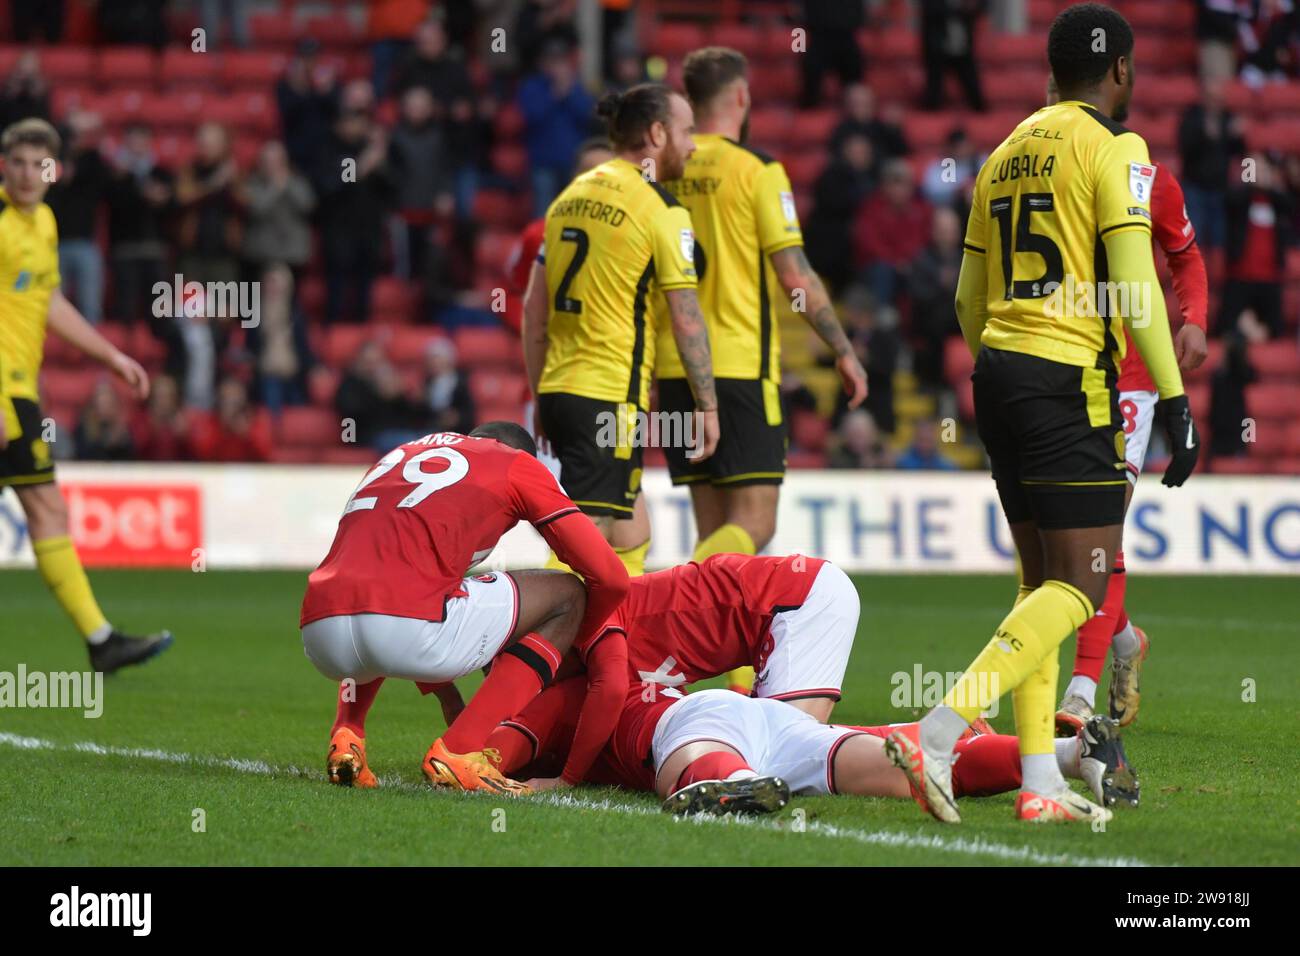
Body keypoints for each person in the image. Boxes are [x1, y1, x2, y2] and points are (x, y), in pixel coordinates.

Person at [899, 4, 1199, 825]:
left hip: (996, 370)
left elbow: (968, 295)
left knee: (1038, 583)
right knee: (1082, 583)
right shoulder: (1116, 147)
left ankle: (1040, 784)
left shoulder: (1004, 151)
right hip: (1069, 376)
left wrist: (999, 361)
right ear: (1123, 72)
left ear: (1050, 72)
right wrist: (1174, 399)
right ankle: (940, 726)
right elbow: (1138, 287)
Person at [658, 48, 867, 696]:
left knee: (716, 527)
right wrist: (840, 346)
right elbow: (793, 275)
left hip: (673, 366)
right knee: (755, 523)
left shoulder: (664, 172)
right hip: (739, 366)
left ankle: (740, 678)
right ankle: (661, 609)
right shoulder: (756, 170)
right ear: (742, 98)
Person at [300, 422, 630, 795]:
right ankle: (460, 749)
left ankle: (348, 735)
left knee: (383, 582)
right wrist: (579, 639)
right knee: (569, 595)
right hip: (404, 627)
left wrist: (446, 694)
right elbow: (611, 577)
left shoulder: (399, 454)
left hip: (321, 633)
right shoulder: (515, 463)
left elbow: (390, 576)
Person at [1044, 75, 1210, 735]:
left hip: (1131, 377)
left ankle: (1079, 694)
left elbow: (1184, 254)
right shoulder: (1042, 171)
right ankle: (1123, 641)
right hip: (1062, 363)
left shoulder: (1147, 177)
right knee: (1064, 542)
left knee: (1101, 526)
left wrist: (1193, 317)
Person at [521, 84, 720, 577]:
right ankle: (520, 647)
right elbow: (685, 313)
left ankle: (613, 649)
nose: (694, 144)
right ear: (657, 133)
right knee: (584, 541)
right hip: (608, 396)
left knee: (631, 533)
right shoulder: (663, 210)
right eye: (686, 130)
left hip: (563, 390)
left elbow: (532, 309)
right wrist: (708, 404)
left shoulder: (568, 197)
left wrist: (541, 394)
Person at [0, 118, 172, 672]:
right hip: (3, 388)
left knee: (47, 508)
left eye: (39, 165)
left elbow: (48, 302)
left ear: (55, 172)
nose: (28, 175)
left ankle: (100, 641)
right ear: (4, 165)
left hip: (19, 388)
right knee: (46, 508)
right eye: (18, 163)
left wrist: (111, 357)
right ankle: (100, 641)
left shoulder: (44, 223)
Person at [489, 678, 1138, 817]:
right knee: (904, 770)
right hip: (758, 713)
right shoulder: (617, 667)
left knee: (685, 764)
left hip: (691, 724)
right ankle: (1070, 757)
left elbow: (486, 758)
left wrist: (480, 746)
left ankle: (733, 783)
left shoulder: (543, 696)